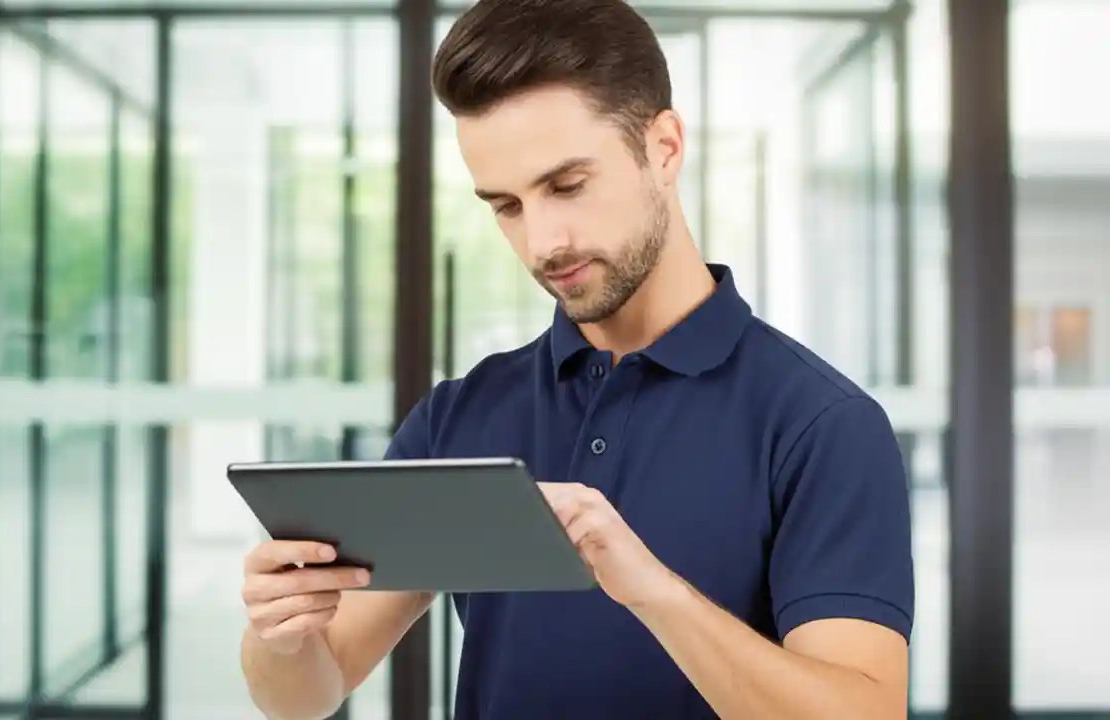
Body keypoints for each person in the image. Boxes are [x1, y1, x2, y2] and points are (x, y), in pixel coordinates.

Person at [239, 0, 914, 717]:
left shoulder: (820, 425)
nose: (543, 243)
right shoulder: (463, 415)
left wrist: (654, 593)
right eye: (507, 205)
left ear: (664, 148)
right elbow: (310, 692)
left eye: (567, 186)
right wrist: (281, 639)